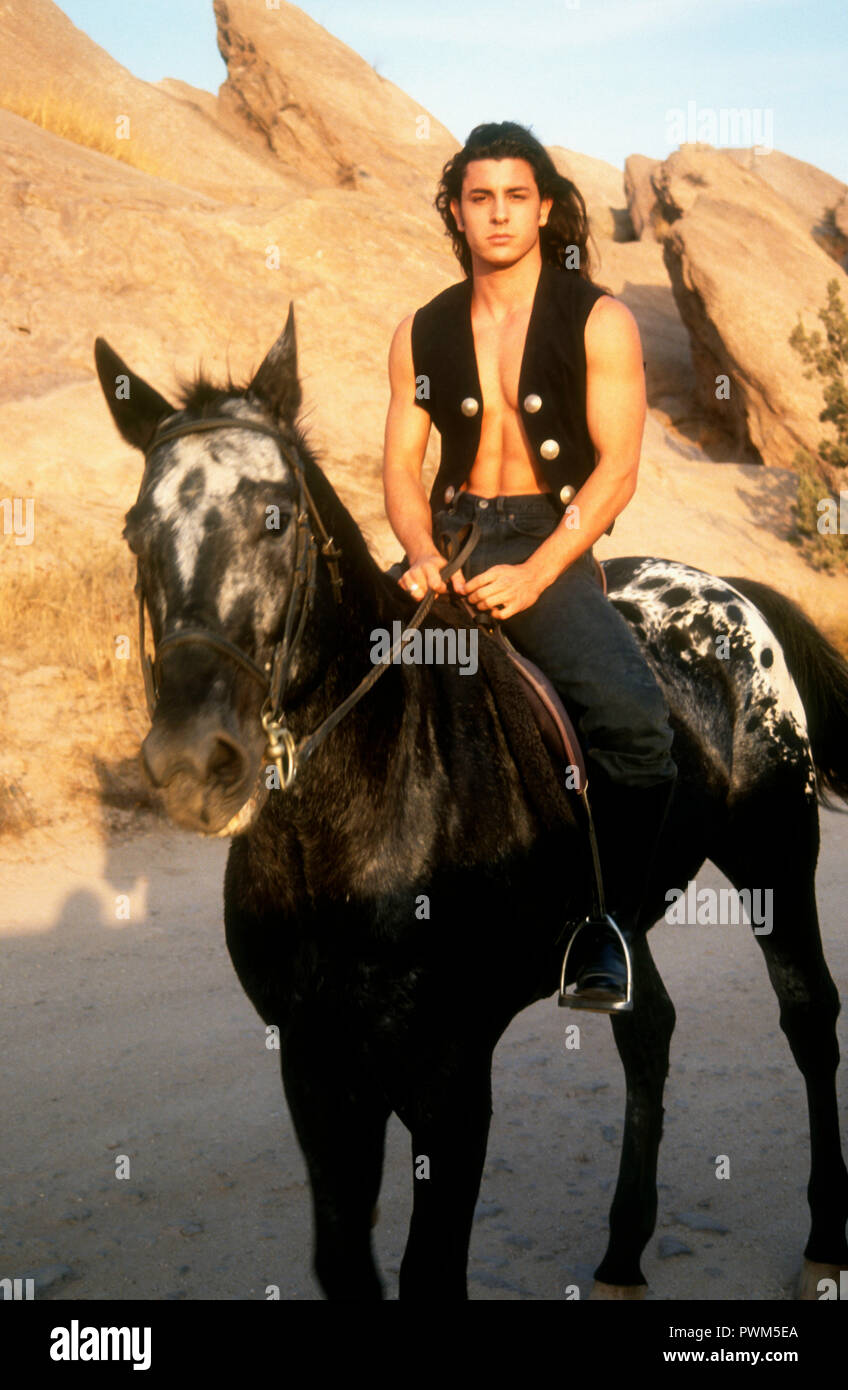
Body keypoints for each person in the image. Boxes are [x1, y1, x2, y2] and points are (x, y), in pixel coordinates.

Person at [381, 121, 677, 1010]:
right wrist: (423, 553)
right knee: (342, 690)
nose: (499, 215)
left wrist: (538, 575)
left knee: (636, 729)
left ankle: (605, 926)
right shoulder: (421, 331)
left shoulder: (600, 320)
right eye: (480, 198)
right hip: (451, 540)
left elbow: (616, 472)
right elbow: (400, 467)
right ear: (456, 211)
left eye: (516, 197)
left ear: (543, 209)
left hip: (550, 539)